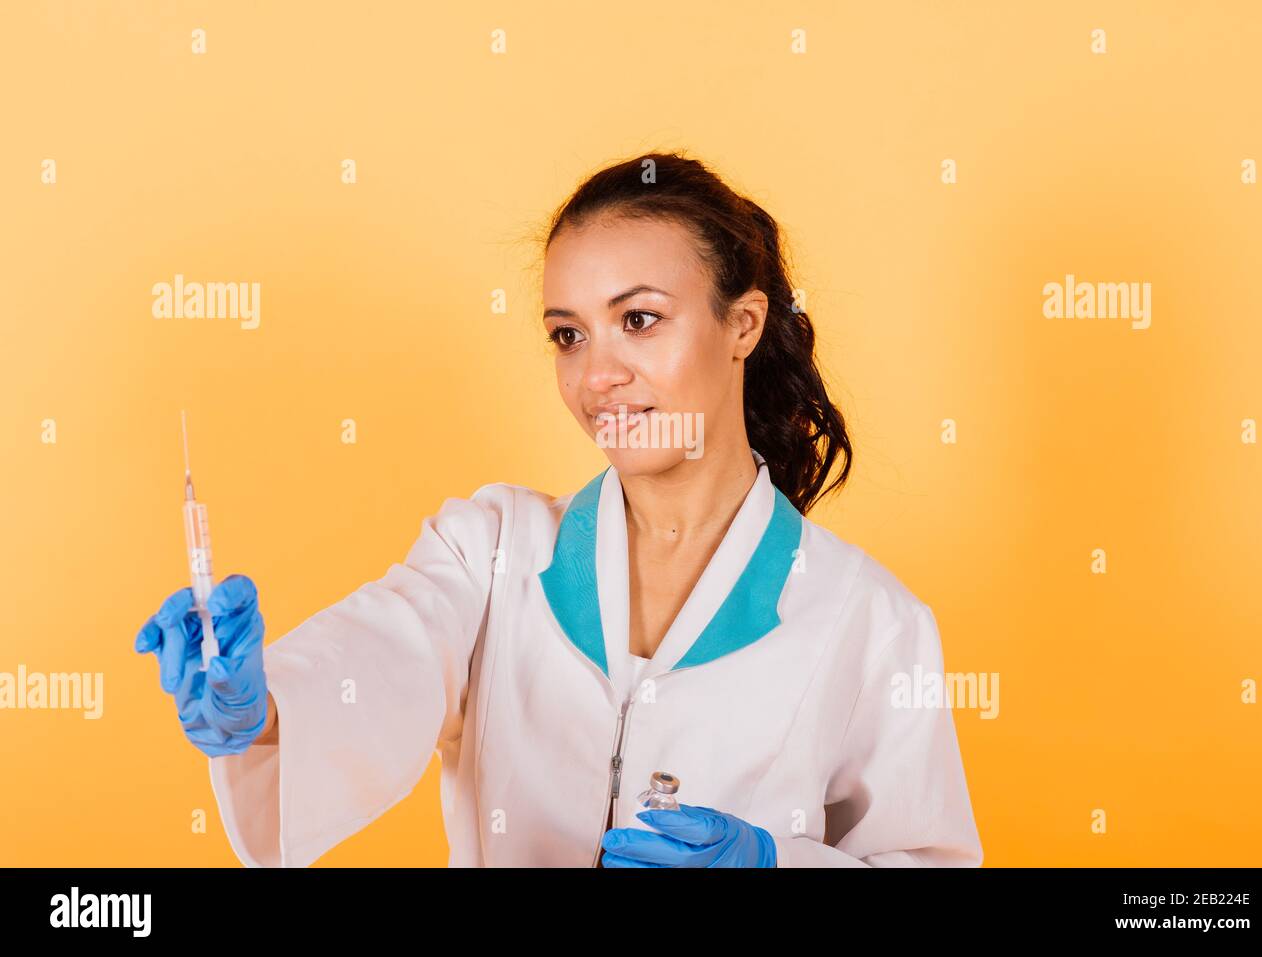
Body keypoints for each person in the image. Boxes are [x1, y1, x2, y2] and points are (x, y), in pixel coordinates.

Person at [135, 152, 984, 867]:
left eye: (639, 320)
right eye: (568, 334)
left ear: (744, 325)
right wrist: (263, 705)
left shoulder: (869, 621)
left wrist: (772, 863)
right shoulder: (490, 552)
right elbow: (379, 659)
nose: (596, 376)